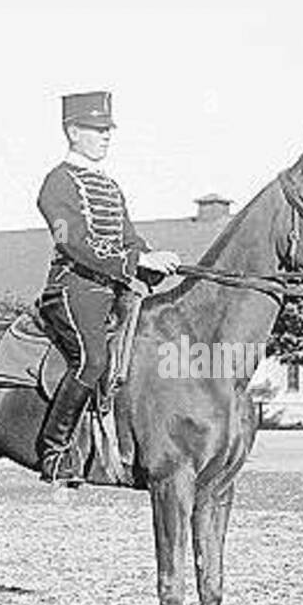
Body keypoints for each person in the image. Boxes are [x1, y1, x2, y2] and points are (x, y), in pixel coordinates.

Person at [33, 90, 180, 485]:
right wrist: (133, 262)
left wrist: (153, 256)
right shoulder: (58, 182)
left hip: (111, 290)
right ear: (72, 131)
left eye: (107, 130)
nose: (105, 136)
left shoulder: (110, 186)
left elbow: (128, 238)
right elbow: (72, 242)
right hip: (72, 289)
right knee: (92, 360)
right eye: (96, 129)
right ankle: (55, 451)